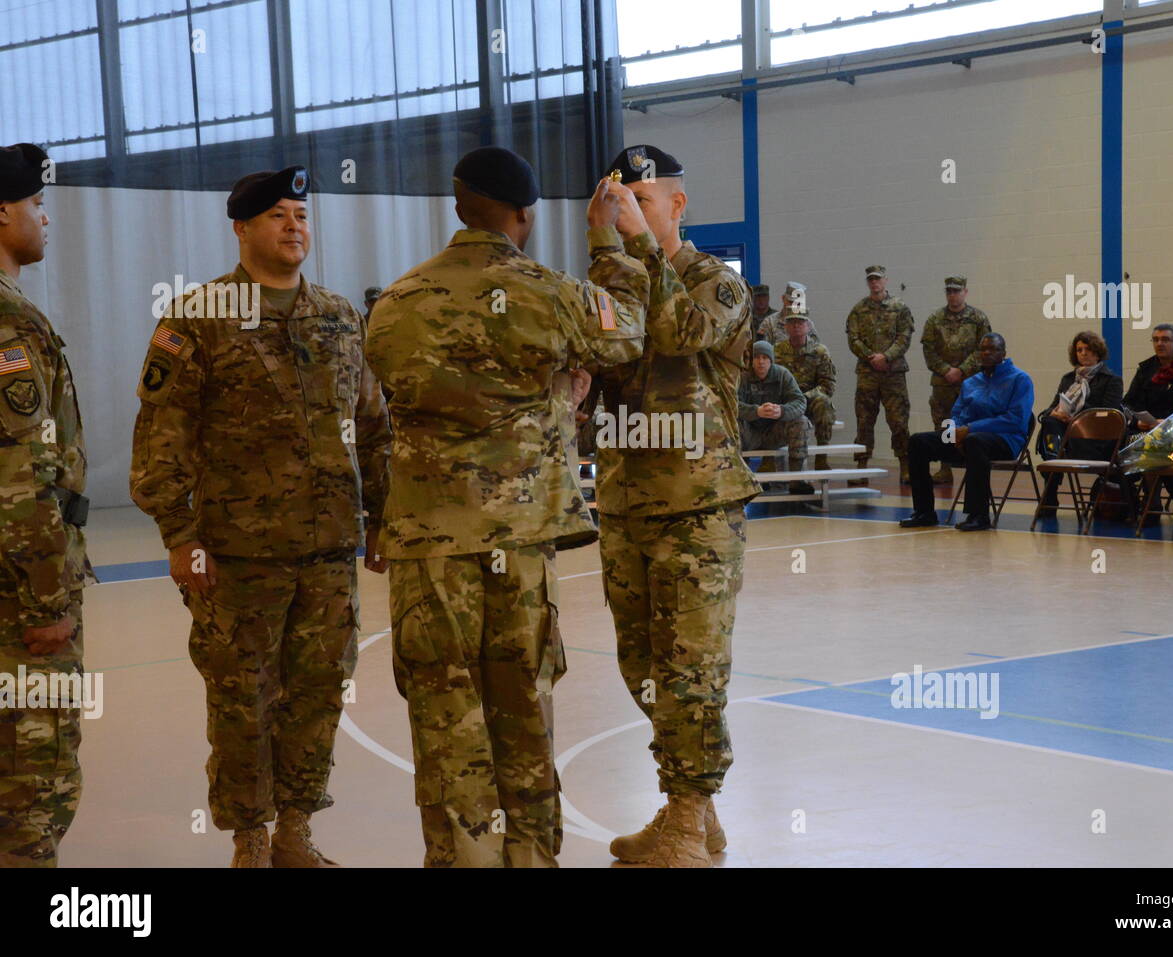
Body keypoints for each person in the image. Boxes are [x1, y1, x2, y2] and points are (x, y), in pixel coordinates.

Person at [365, 146, 649, 868]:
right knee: (523, 704)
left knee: (444, 713)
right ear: (526, 214)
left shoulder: (394, 304)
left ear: (460, 205)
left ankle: (464, 856)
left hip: (428, 545)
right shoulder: (549, 294)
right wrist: (606, 240)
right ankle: (529, 857)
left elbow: (412, 398)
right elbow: (631, 331)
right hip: (519, 542)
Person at [130, 166, 392, 868]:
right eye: (278, 215)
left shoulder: (339, 317)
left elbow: (374, 423)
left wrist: (383, 516)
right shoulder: (197, 317)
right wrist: (179, 536)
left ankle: (295, 832)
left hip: (330, 549)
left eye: (302, 215)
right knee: (243, 698)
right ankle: (249, 838)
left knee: (317, 692)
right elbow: (162, 435)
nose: (295, 227)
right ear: (242, 227)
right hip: (238, 554)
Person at [594, 144, 761, 868]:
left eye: (644, 203)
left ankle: (688, 817)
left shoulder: (716, 283)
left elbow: (680, 333)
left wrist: (633, 250)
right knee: (644, 667)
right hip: (626, 503)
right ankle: (695, 809)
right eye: (619, 204)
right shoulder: (615, 281)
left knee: (692, 670)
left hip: (698, 505)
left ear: (677, 206)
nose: (632, 216)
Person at [0, 143, 94, 868]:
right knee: (33, 792)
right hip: (16, 608)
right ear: (3, 213)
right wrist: (47, 601)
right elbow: (26, 481)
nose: (45, 218)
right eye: (36, 205)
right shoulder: (11, 327)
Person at [900, 333, 1033, 531]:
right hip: (966, 437)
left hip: (1005, 440)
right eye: (983, 349)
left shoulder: (1020, 379)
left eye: (993, 349)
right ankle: (924, 512)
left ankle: (978, 515)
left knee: (974, 441)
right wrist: (954, 430)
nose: (987, 353)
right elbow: (957, 413)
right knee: (919, 442)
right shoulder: (971, 382)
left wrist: (970, 430)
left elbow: (1015, 419)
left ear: (1003, 353)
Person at [1036, 331, 1124, 511]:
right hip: (1067, 441)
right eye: (1079, 350)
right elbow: (1050, 409)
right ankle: (1053, 475)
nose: (1083, 353)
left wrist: (1076, 419)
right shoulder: (1068, 379)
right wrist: (1054, 413)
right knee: (1050, 422)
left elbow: (1109, 416)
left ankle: (1051, 486)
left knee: (1054, 441)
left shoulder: (1112, 380)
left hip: (1095, 441)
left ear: (1098, 352)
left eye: (1088, 349)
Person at [845, 264, 913, 485]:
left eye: (878, 279)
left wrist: (886, 356)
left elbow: (904, 337)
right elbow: (853, 339)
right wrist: (870, 357)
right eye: (871, 279)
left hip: (893, 374)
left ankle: (905, 466)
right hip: (867, 373)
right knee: (864, 421)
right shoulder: (858, 310)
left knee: (899, 421)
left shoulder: (900, 308)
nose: (874, 283)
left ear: (886, 281)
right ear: (868, 282)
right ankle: (861, 467)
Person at [921, 275, 991, 484]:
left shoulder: (978, 318)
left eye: (957, 291)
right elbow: (929, 350)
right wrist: (945, 370)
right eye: (949, 291)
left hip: (971, 383)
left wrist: (961, 370)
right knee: (944, 424)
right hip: (943, 383)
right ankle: (945, 467)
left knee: (971, 425)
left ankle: (972, 466)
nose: (953, 295)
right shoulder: (934, 320)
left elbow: (984, 350)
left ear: (965, 292)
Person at [739, 339, 814, 494]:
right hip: (749, 433)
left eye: (765, 358)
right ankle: (740, 478)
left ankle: (797, 479)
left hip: (774, 432)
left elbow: (800, 402)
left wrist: (782, 411)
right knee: (730, 423)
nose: (761, 362)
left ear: (771, 360)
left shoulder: (782, 375)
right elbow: (730, 405)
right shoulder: (742, 377)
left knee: (801, 422)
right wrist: (755, 411)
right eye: (757, 358)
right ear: (750, 360)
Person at [774, 313, 836, 470]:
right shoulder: (777, 351)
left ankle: (822, 458)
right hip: (785, 403)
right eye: (792, 322)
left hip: (810, 402)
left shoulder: (820, 351)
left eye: (800, 322)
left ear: (808, 326)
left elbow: (827, 386)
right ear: (786, 327)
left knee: (824, 402)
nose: (796, 326)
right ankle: (768, 460)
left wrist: (804, 397)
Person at [1121, 322, 1173, 425]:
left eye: (1165, 339)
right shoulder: (1145, 369)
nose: (1159, 344)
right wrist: (1137, 422)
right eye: (1155, 340)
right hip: (1146, 428)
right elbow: (1128, 403)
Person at [757, 281, 819, 345]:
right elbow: (763, 350)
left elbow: (816, 347)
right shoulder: (769, 323)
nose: (793, 306)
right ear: (783, 298)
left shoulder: (807, 324)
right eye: (790, 302)